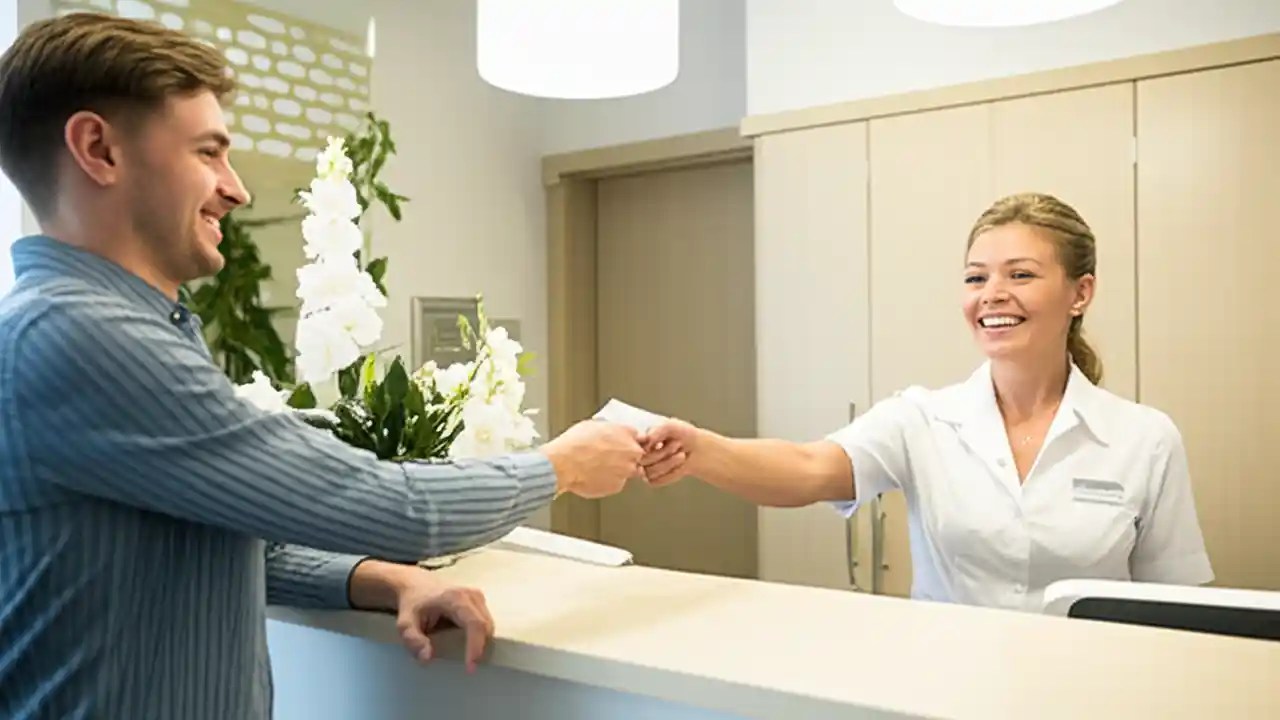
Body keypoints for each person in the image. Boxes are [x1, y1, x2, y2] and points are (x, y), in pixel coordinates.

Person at [0, 12, 643, 719]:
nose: (236, 188)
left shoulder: (111, 327)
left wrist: (385, 581)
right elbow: (394, 506)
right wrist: (562, 466)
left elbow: (237, 543)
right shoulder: (78, 335)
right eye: (209, 152)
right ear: (99, 149)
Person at [640, 191, 1214, 612]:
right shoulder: (922, 419)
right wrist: (700, 450)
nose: (993, 295)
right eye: (975, 278)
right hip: (946, 692)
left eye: (1021, 274)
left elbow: (1175, 606)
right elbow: (810, 469)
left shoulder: (1144, 437)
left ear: (1080, 292)